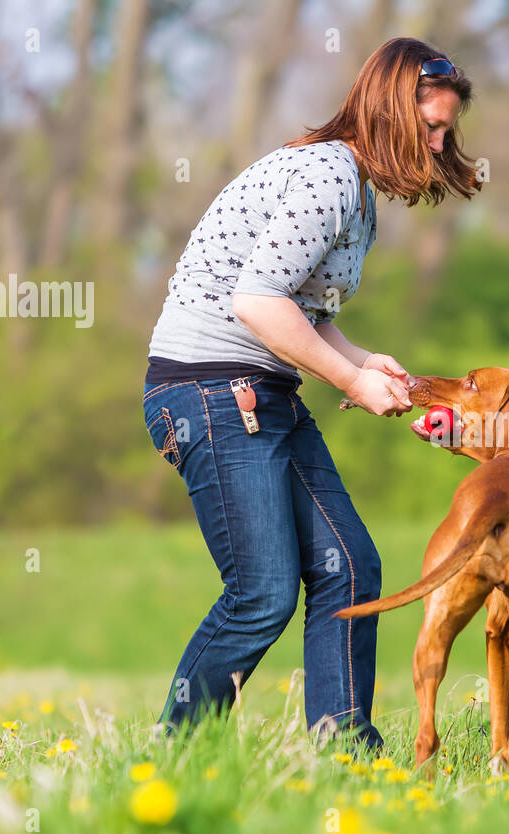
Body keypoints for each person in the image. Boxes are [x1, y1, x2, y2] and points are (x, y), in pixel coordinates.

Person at [141, 37, 481, 749]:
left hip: (259, 389)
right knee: (262, 595)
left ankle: (346, 754)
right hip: (208, 390)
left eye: (447, 131)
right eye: (432, 128)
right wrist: (351, 379)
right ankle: (173, 757)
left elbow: (304, 314)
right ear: (391, 109)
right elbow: (258, 303)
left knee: (350, 565)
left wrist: (367, 362)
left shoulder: (356, 192)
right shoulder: (326, 176)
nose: (440, 142)